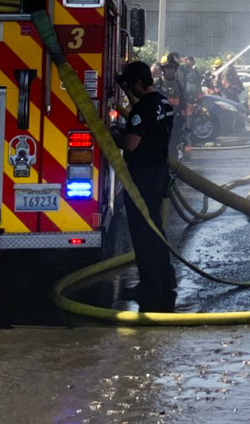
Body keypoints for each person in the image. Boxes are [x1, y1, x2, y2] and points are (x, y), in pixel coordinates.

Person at [113, 60, 176, 312]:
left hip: (142, 177)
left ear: (138, 83)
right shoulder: (164, 103)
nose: (132, 90)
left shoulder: (142, 110)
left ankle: (150, 287)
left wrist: (113, 134)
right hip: (159, 172)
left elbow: (131, 144)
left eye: (131, 85)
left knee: (144, 233)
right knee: (156, 228)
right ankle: (165, 278)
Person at [154, 53, 187, 153]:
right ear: (163, 70)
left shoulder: (178, 85)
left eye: (171, 68)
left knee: (173, 145)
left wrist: (183, 117)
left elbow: (182, 102)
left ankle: (172, 165)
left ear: (175, 70)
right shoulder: (157, 83)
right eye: (167, 68)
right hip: (159, 119)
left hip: (175, 120)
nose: (169, 70)